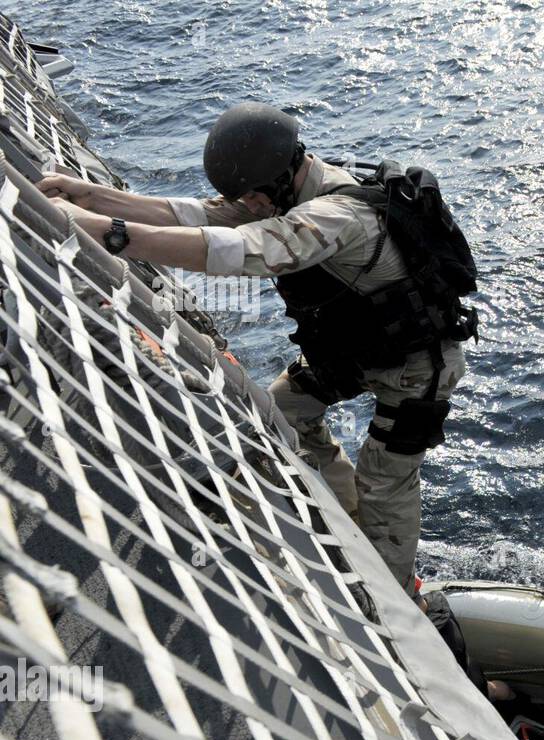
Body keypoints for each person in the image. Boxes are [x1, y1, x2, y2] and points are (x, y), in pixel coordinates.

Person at [39, 103, 478, 598]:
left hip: (414, 369)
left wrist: (108, 232)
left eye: (250, 197)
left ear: (280, 179)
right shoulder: (285, 191)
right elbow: (197, 215)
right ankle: (346, 517)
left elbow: (234, 251)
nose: (245, 206)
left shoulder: (337, 215)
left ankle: (396, 598)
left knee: (386, 483)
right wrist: (91, 197)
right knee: (279, 416)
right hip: (356, 351)